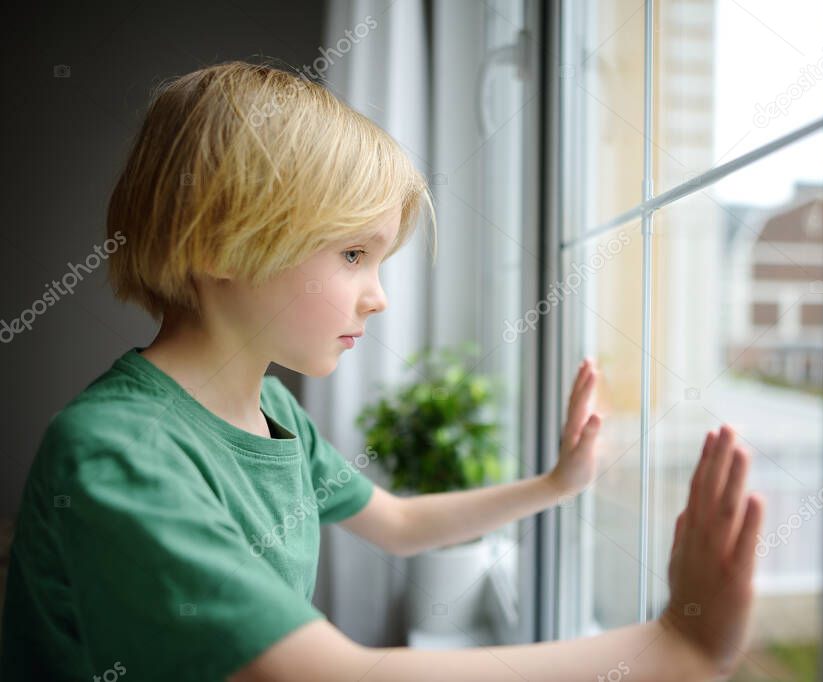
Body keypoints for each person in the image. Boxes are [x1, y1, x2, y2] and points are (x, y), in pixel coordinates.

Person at [0, 61, 764, 681]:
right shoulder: (113, 454)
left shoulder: (272, 411)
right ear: (220, 245)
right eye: (354, 255)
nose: (379, 298)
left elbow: (395, 525)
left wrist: (555, 486)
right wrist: (672, 650)